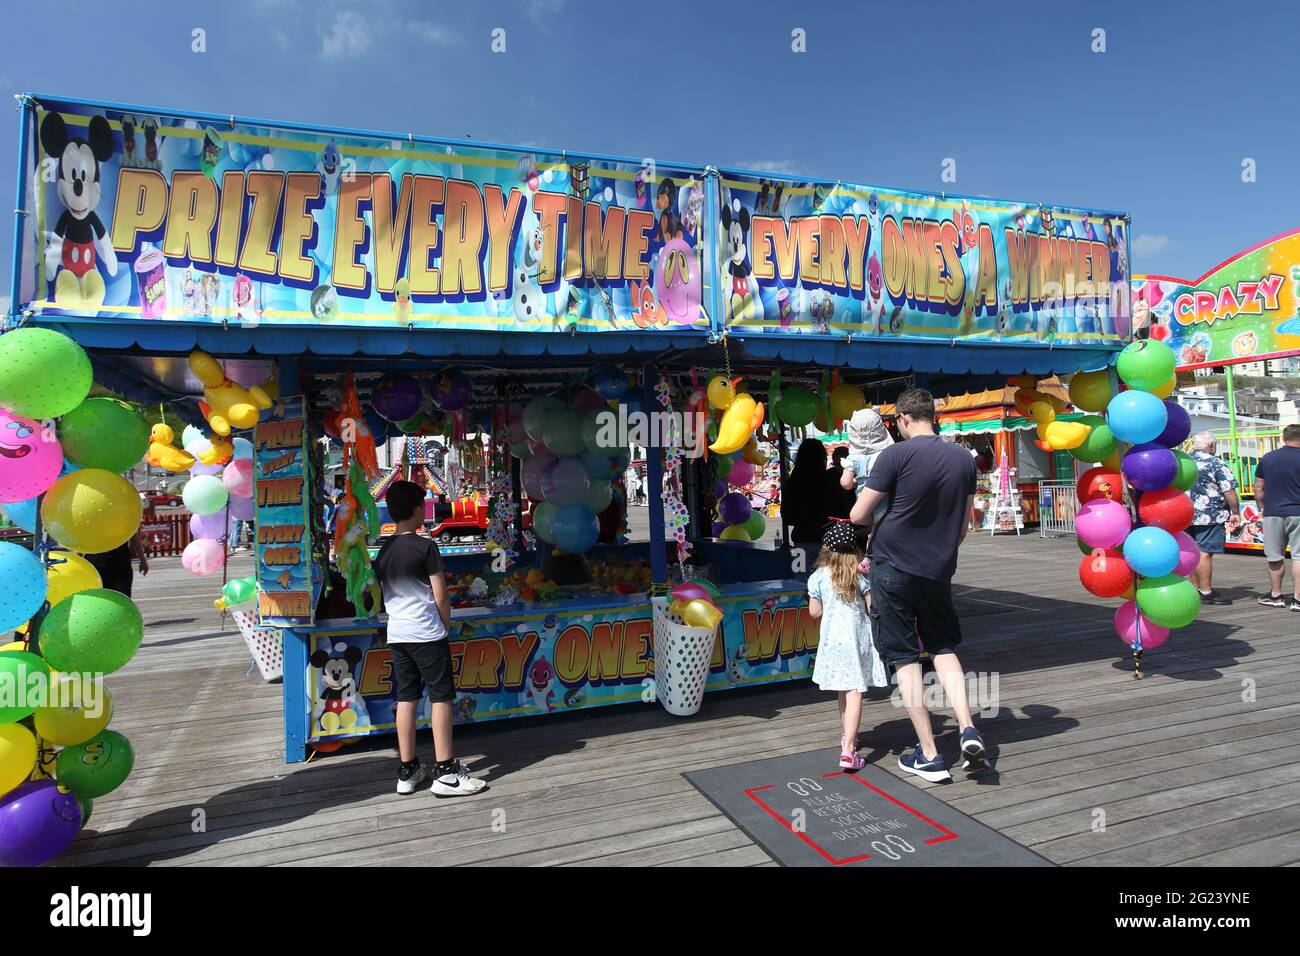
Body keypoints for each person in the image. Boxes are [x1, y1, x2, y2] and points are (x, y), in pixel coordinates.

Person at [850, 388, 985, 782]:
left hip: (892, 566)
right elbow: (962, 526)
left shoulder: (896, 455)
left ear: (903, 419)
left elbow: (859, 514)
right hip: (938, 568)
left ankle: (929, 754)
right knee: (943, 647)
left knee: (905, 659)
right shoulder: (963, 458)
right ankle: (967, 727)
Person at [373, 480, 487, 796]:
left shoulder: (383, 550)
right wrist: (445, 623)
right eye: (422, 506)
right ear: (413, 510)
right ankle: (446, 771)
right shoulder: (426, 546)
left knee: (406, 699)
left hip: (398, 634)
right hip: (427, 632)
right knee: (440, 698)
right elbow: (441, 595)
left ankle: (407, 770)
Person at [806, 520, 888, 770]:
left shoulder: (818, 576)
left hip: (832, 641)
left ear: (826, 550)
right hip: (857, 640)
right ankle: (849, 749)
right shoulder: (861, 574)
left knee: (843, 690)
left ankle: (847, 738)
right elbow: (872, 607)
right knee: (854, 691)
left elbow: (814, 612)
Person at [1186, 432, 1239, 605]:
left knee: (1192, 551)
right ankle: (1207, 591)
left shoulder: (1184, 461)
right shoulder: (1215, 463)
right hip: (1210, 514)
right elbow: (1229, 490)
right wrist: (1235, 511)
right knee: (1205, 553)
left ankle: (1194, 588)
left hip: (1184, 513)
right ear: (1210, 445)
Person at [1255, 423, 1300, 610]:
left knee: (1274, 556)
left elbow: (1258, 489)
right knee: (1299, 556)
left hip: (1273, 512)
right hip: (1298, 512)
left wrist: (1262, 507)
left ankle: (1276, 595)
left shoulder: (1268, 458)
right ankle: (1298, 600)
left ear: (1283, 438)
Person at [781, 438, 829, 550]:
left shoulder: (793, 482)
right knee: (825, 568)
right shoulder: (829, 480)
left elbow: (787, 516)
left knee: (801, 568)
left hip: (801, 539)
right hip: (827, 540)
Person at [84, 533, 148, 597]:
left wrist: (143, 560)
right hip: (98, 563)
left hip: (119, 564)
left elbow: (133, 535)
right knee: (100, 598)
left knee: (122, 597)